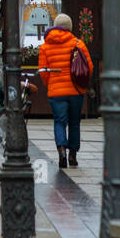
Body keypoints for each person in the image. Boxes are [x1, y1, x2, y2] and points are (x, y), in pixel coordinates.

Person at [37, 13, 93, 168]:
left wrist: (51, 83)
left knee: (59, 122)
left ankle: (61, 149)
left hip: (56, 92)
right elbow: (89, 67)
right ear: (70, 27)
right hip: (76, 91)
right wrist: (82, 83)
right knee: (74, 123)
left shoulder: (45, 46)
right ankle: (72, 155)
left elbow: (43, 71)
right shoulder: (78, 43)